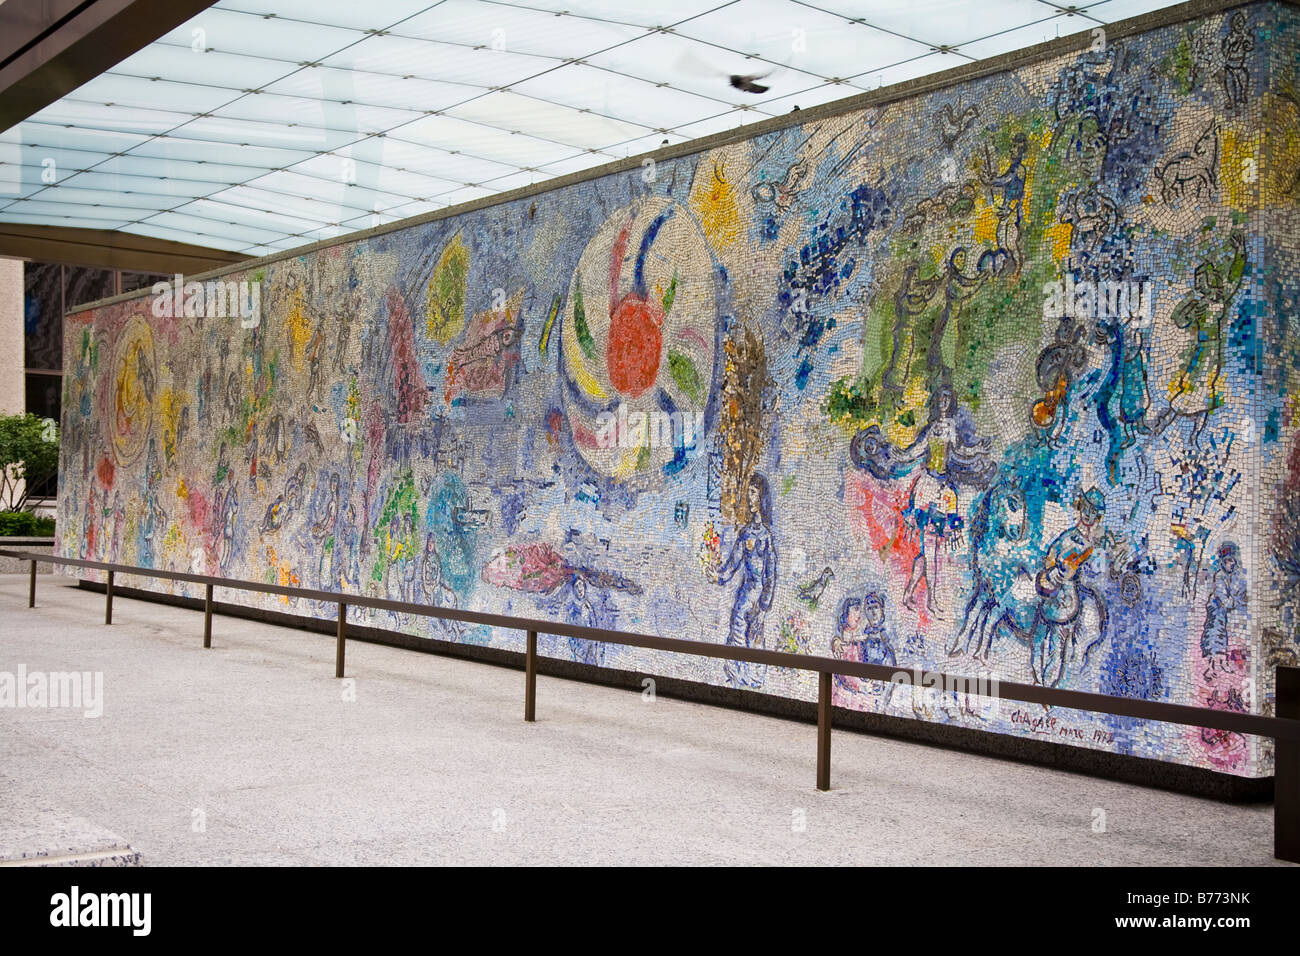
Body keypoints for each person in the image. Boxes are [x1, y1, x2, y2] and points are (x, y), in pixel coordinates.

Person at [717, 473, 777, 689]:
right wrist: (717, 574)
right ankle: (738, 683)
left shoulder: (766, 537)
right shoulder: (745, 534)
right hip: (743, 598)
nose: (749, 498)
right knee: (738, 637)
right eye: (749, 493)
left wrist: (763, 606)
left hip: (755, 600)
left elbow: (770, 574)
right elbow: (731, 565)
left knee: (756, 641)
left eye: (753, 493)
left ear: (762, 497)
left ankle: (753, 684)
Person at [1201, 542, 1246, 680]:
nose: (1232, 564)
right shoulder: (1220, 576)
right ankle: (1210, 667)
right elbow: (1224, 598)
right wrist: (1234, 602)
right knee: (1214, 634)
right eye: (1229, 561)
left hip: (1221, 612)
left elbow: (1234, 595)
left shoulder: (1230, 577)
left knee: (1222, 635)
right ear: (1224, 562)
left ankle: (1222, 662)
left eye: (1233, 561)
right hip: (1215, 610)